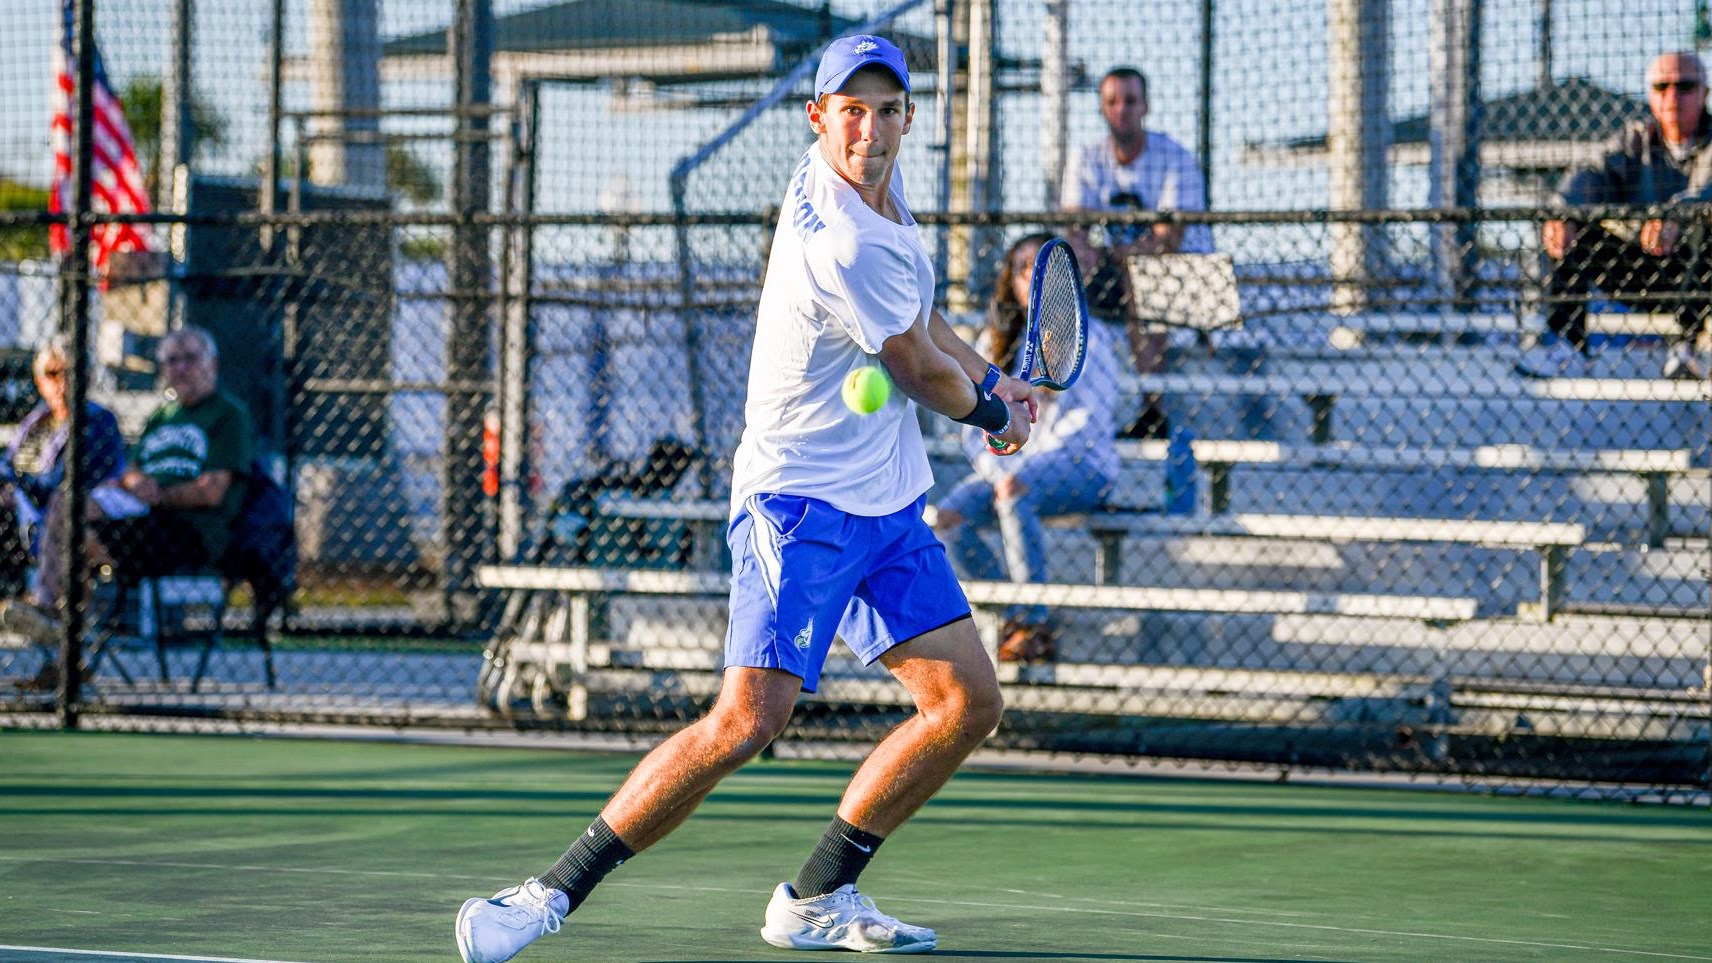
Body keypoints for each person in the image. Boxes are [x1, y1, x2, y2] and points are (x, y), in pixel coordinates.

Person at [454, 34, 1034, 963]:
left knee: (966, 699)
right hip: (797, 506)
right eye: (850, 110)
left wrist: (994, 373)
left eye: (887, 111)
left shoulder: (876, 196)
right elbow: (919, 367)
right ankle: (542, 897)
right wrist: (997, 411)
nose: (869, 129)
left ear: (908, 118)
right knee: (746, 722)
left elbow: (925, 317)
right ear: (818, 117)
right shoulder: (843, 236)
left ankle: (818, 895)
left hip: (885, 506)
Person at [934, 233, 1119, 664]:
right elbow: (973, 430)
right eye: (1022, 267)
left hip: (1083, 467)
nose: (1031, 277)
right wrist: (1002, 468)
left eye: (1040, 267)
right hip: (1010, 475)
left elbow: (1087, 430)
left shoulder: (1092, 338)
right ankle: (1018, 616)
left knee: (1016, 489)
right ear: (1010, 279)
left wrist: (1048, 405)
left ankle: (1035, 624)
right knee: (947, 519)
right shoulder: (992, 342)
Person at [11, 326, 254, 645]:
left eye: (190, 359)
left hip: (188, 532)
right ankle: (64, 646)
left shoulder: (228, 414)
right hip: (143, 521)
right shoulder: (161, 416)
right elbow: (131, 471)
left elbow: (212, 491)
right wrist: (138, 483)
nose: (180, 368)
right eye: (172, 361)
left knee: (72, 540)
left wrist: (159, 494)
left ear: (213, 365)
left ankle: (55, 623)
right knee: (68, 508)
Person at [1522, 51, 1712, 380]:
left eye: (1685, 86)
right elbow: (1591, 175)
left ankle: (1686, 347)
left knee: (1706, 225)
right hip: (1640, 270)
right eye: (1661, 86)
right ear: (1650, 94)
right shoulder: (1635, 139)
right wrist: (1563, 211)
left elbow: (1706, 189)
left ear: (1705, 93)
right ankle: (1569, 347)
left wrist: (1677, 216)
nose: (1672, 96)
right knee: (1569, 224)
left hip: (1699, 278)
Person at [1061, 66, 1212, 439]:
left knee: (1148, 269)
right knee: (1061, 260)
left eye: (1130, 101)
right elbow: (1074, 230)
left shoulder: (1174, 156)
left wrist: (1109, 254)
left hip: (1190, 277)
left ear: (1146, 106)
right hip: (1117, 271)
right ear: (1101, 108)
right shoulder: (1087, 156)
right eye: (1112, 101)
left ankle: (1152, 409)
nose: (1121, 109)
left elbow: (1167, 240)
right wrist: (1097, 254)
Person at [0, 335, 127, 689]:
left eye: (69, 372)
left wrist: (19, 486)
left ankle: (51, 620)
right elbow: (7, 466)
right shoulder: (36, 423)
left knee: (66, 506)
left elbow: (69, 482)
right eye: (52, 373)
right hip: (21, 524)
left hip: (83, 526)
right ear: (39, 379)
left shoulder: (97, 421)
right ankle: (64, 650)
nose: (61, 382)